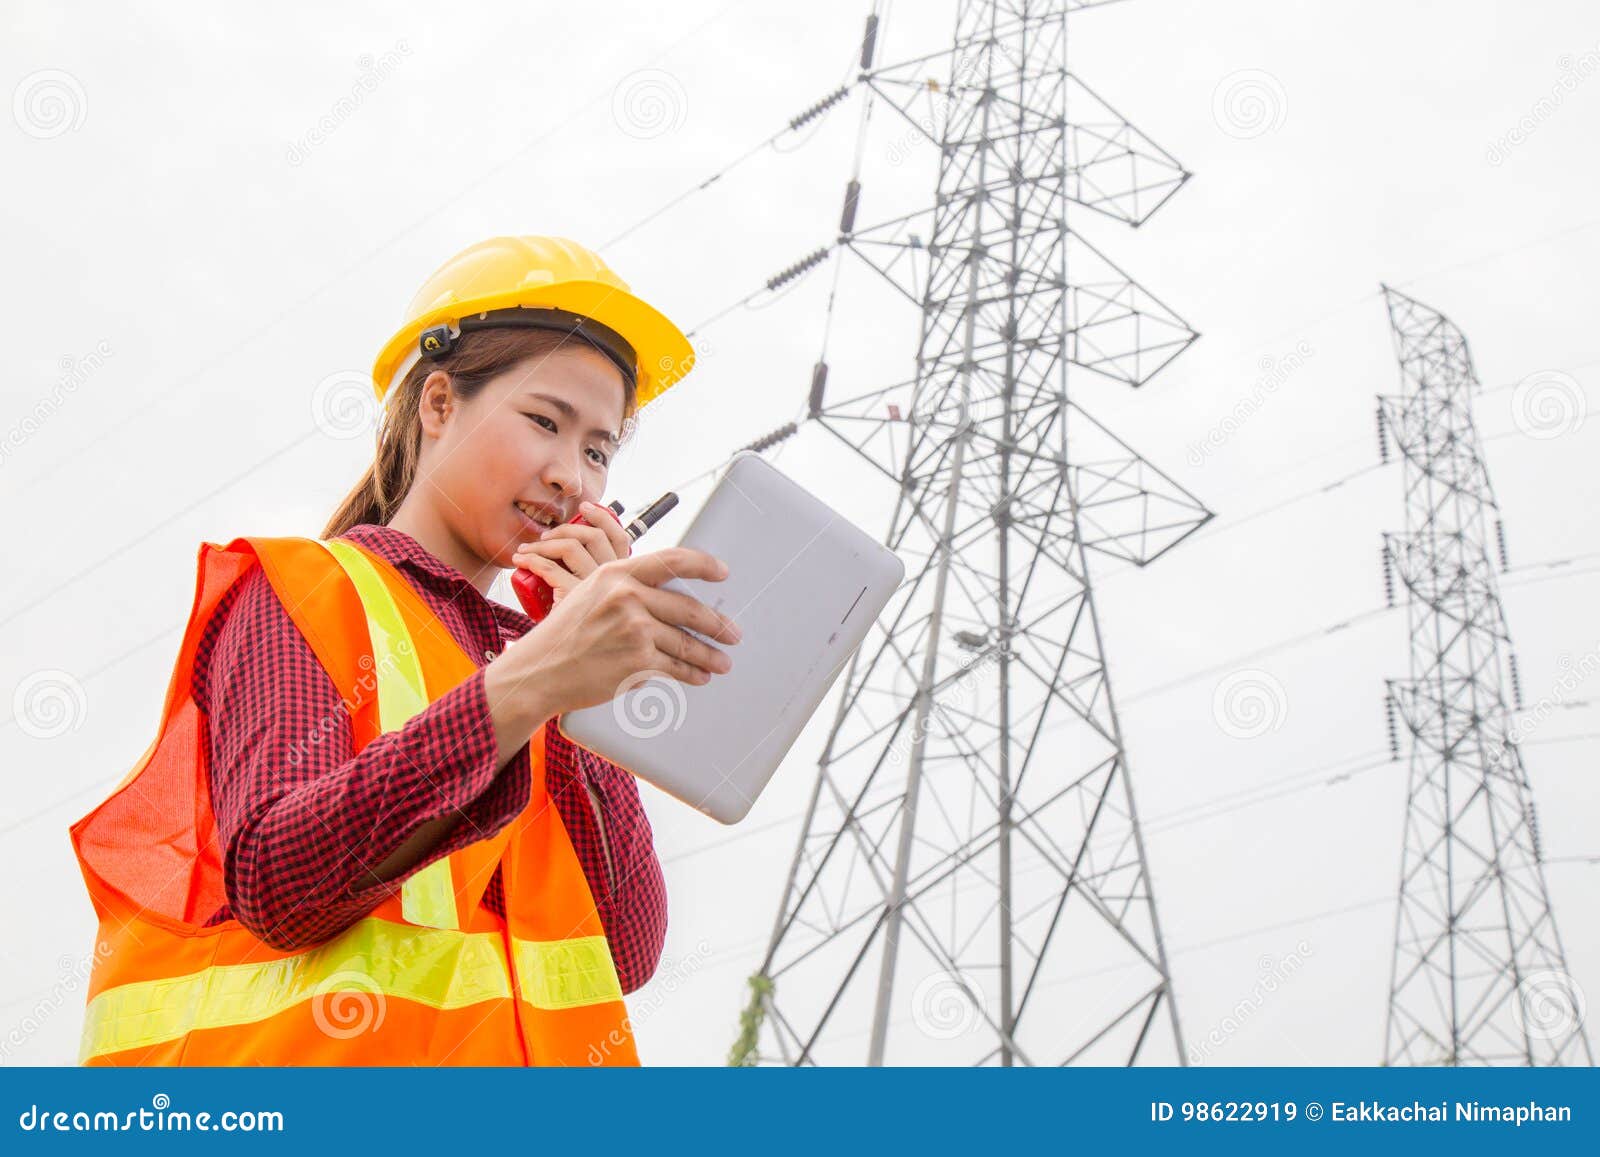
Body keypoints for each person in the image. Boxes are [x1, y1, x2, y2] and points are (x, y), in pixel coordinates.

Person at [69, 235, 743, 1066]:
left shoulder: (542, 666)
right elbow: (279, 885)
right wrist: (526, 683)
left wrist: (581, 699)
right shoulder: (304, 587)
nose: (573, 475)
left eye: (599, 450)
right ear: (437, 404)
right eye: (545, 420)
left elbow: (625, 950)